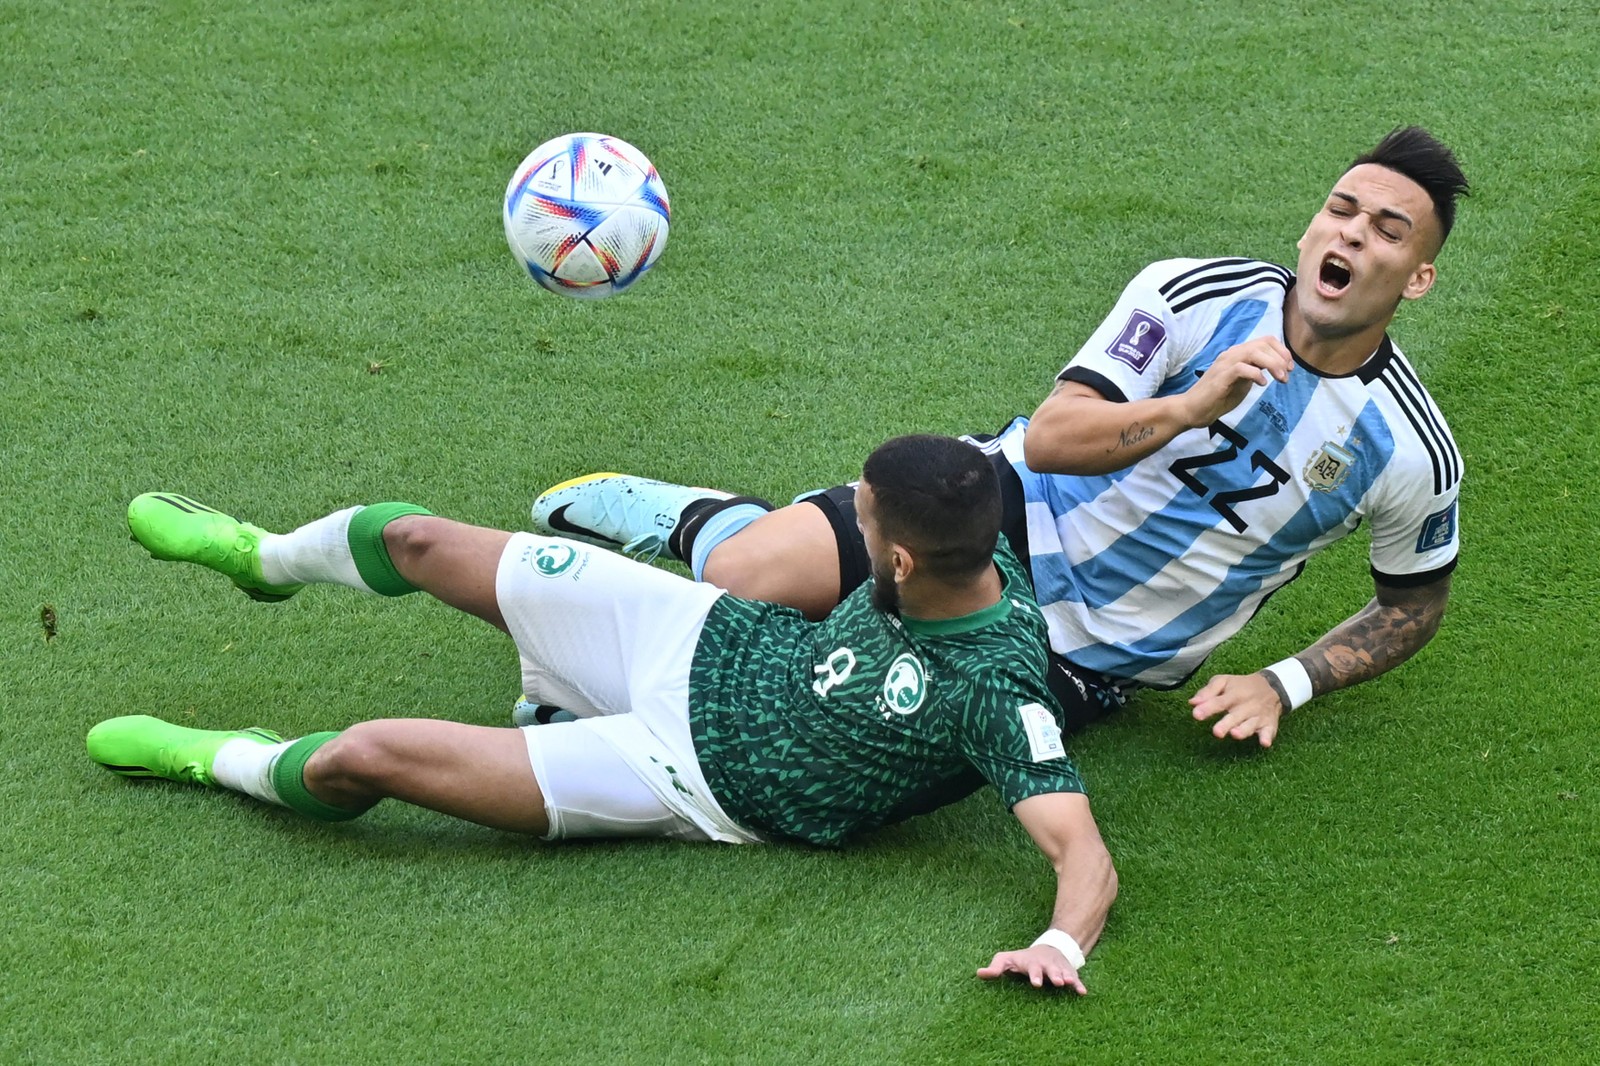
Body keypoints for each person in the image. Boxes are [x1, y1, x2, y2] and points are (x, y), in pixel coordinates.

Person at [531, 126, 1469, 748]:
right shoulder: (1199, 294)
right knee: (748, 579)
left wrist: (1286, 683)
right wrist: (1189, 407)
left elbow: (1412, 606)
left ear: (1417, 278)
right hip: (1004, 503)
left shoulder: (1411, 450)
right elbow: (1058, 437)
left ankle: (588, 694)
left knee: (829, 717)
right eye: (1341, 210)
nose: (1351, 235)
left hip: (1091, 651)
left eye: (1389, 230)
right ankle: (699, 521)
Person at [88, 435, 1117, 994]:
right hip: (701, 637)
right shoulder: (963, 551)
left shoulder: (995, 686)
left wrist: (1059, 948)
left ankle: (215, 759)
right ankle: (261, 561)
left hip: (691, 774)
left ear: (899, 558)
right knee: (413, 539)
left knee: (365, 756)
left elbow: (1082, 856)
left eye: (859, 511)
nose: (847, 509)